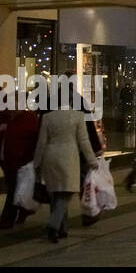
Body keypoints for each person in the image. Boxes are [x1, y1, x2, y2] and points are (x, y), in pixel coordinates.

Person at [32, 104, 98, 243]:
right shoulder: (78, 116)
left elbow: (41, 142)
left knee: (56, 193)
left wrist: (36, 162)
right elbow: (84, 142)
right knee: (66, 192)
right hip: (69, 157)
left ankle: (62, 229)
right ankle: (54, 224)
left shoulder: (48, 117)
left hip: (51, 156)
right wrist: (92, 160)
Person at [0, 97, 42, 228]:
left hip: (20, 162)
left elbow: (34, 139)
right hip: (8, 161)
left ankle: (7, 219)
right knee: (15, 189)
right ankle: (22, 211)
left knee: (13, 190)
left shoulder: (28, 119)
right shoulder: (6, 118)